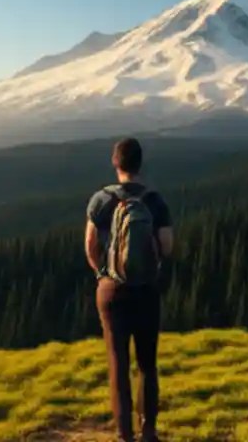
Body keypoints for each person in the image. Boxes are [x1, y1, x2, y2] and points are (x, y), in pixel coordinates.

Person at [85, 138, 174, 442]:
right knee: (147, 364)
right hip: (146, 290)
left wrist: (104, 274)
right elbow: (167, 245)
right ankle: (148, 431)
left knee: (118, 363)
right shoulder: (155, 201)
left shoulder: (101, 200)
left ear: (115, 162)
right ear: (140, 163)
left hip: (112, 292)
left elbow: (90, 246)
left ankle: (125, 436)